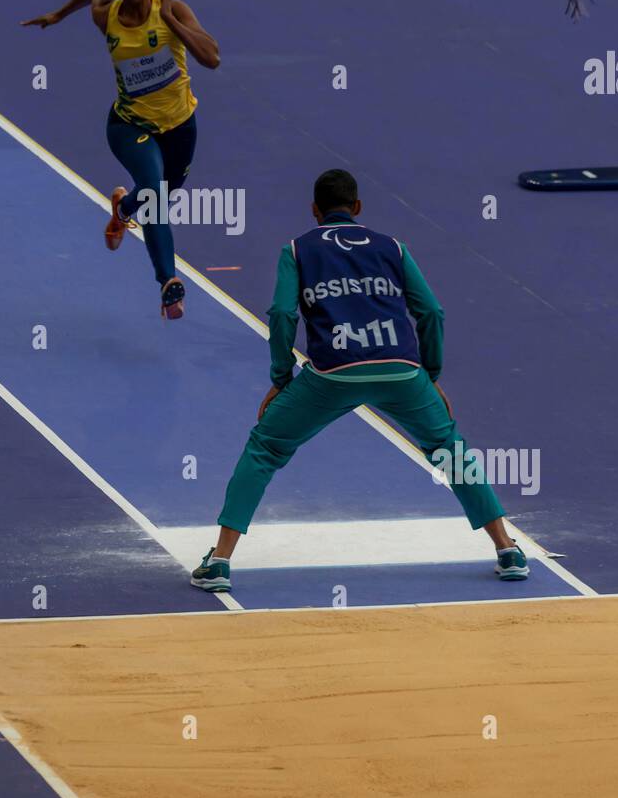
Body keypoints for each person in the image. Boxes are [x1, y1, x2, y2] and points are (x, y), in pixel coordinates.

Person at [191, 168, 530, 592]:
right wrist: (431, 373)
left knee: (266, 447)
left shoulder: (296, 250)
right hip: (402, 371)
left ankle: (220, 559)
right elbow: (431, 312)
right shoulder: (394, 248)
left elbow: (281, 314)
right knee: (449, 451)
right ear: (358, 208)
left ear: (315, 211)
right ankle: (507, 550)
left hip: (331, 374)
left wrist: (281, 378)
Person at [21, 0, 220, 318]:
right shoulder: (105, 16)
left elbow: (212, 58)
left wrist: (172, 20)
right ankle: (168, 284)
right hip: (129, 126)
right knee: (156, 195)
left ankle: (123, 206)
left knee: (153, 196)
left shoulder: (173, 10)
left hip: (179, 128)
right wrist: (59, 15)